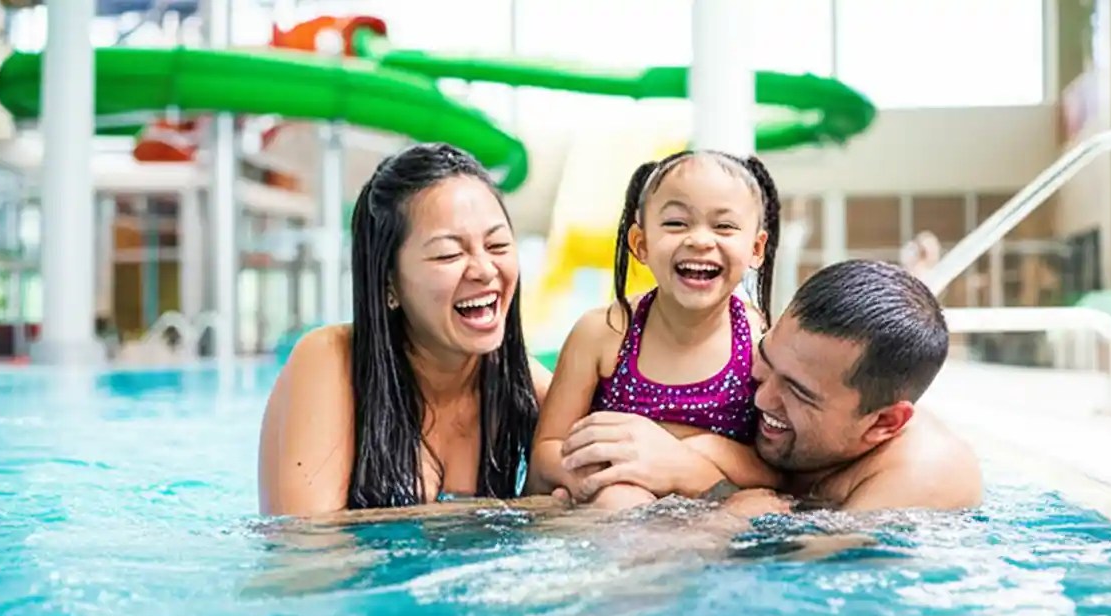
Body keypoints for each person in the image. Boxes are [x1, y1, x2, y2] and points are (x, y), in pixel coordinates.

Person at [258, 143, 552, 516]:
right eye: (449, 254)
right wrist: (506, 513)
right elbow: (312, 548)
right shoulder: (330, 361)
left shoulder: (521, 384)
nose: (484, 269)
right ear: (389, 284)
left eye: (497, 245)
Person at [553, 259, 983, 514]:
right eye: (767, 358)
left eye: (798, 392)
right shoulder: (769, 398)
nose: (761, 397)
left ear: (883, 423)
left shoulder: (925, 474)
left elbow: (800, 581)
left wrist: (705, 483)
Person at [527, 149, 786, 510]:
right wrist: (609, 476)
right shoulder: (604, 333)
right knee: (621, 500)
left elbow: (778, 469)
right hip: (614, 508)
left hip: (708, 509)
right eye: (676, 223)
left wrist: (692, 450)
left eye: (724, 226)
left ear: (757, 248)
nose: (699, 239)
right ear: (641, 244)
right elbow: (544, 453)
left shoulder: (760, 344)